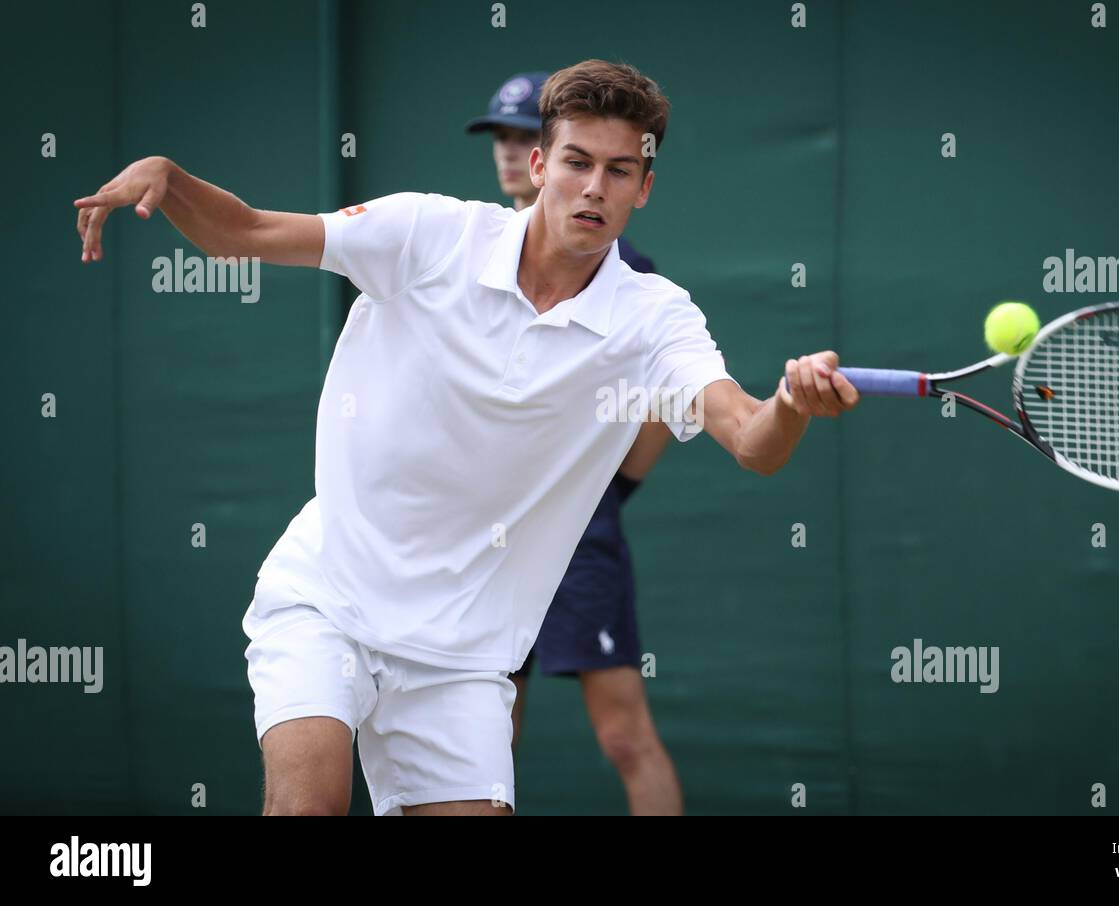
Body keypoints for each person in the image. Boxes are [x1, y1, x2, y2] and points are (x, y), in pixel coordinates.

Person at [73, 59, 860, 816]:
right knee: (311, 803)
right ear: (540, 162)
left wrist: (790, 401)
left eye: (620, 171)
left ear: (644, 188)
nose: (594, 187)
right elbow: (242, 232)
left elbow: (753, 440)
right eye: (577, 161)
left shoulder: (655, 318)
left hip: (463, 655)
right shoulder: (425, 234)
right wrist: (170, 179)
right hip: (332, 597)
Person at [467, 70, 681, 815]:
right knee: (484, 742)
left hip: (580, 537)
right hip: (479, 537)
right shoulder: (465, 256)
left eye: (524, 133)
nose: (508, 149)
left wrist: (611, 490)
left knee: (624, 735)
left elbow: (662, 399)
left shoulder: (629, 279)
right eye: (502, 135)